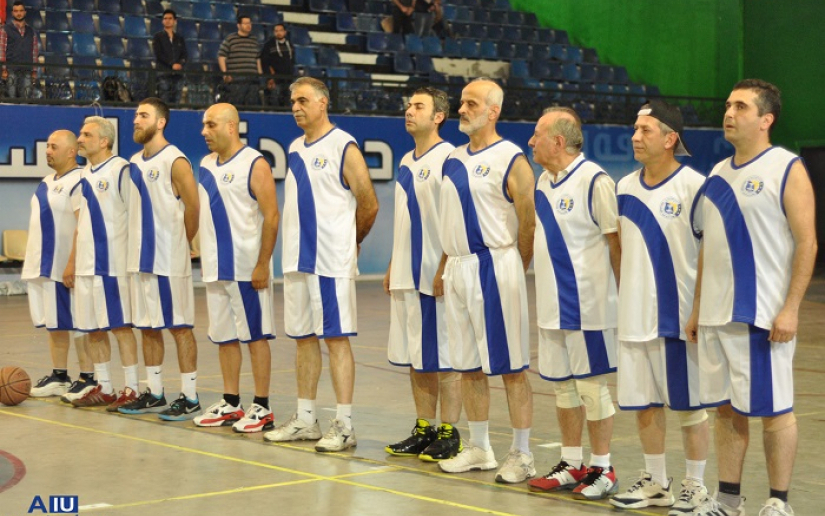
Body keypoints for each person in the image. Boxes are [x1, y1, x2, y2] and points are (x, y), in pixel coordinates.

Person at [684, 80, 817, 516]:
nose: (728, 112)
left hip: (763, 316)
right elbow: (709, 248)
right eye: (727, 105)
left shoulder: (786, 166)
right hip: (717, 317)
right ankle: (727, 500)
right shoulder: (718, 173)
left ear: (766, 119)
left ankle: (778, 503)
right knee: (725, 410)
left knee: (774, 411)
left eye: (740, 106)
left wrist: (791, 308)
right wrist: (698, 308)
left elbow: (807, 243)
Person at [264, 77, 379, 452]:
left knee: (336, 339)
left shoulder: (343, 145)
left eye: (302, 100)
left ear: (322, 103)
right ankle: (306, 419)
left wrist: (352, 243)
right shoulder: (296, 146)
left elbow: (368, 202)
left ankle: (344, 426)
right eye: (291, 101)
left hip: (330, 261)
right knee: (304, 339)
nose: (295, 107)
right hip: (298, 261)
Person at [608, 100, 710, 513]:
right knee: (644, 405)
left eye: (645, 130)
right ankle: (656, 482)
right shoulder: (624, 187)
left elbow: (711, 255)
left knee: (689, 407)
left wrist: (699, 309)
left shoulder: (695, 186)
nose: (635, 136)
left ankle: (695, 485)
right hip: (633, 319)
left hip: (676, 318)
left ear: (670, 139)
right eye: (635, 128)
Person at [435, 78, 535, 484]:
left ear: (492, 111)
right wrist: (445, 265)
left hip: (495, 265)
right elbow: (449, 219)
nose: (462, 108)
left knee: (511, 367)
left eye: (471, 103)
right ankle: (479, 448)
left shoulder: (511, 157)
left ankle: (523, 453)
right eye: (462, 102)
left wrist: (515, 266)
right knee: (468, 366)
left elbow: (528, 219)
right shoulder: (453, 158)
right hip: (458, 268)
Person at [526, 107, 620, 499]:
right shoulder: (543, 184)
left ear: (559, 142)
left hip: (589, 308)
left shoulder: (595, 181)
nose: (531, 142)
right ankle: (572, 463)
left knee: (592, 390)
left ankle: (603, 467)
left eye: (537, 135)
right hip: (552, 306)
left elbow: (617, 244)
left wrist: (625, 299)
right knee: (564, 390)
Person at [383, 87, 462, 462]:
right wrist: (391, 265)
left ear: (438, 116)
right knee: (417, 355)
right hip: (405, 274)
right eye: (409, 105)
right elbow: (403, 221)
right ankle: (424, 427)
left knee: (444, 355)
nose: (409, 111)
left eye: (419, 106)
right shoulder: (405, 160)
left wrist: (445, 265)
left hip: (434, 274)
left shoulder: (449, 157)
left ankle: (450, 431)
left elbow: (454, 219)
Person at [192, 103, 279, 433]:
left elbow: (272, 216)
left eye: (211, 125)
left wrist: (262, 264)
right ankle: (231, 402)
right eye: (203, 125)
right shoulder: (205, 164)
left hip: (246, 269)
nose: (204, 131)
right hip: (215, 269)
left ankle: (263, 406)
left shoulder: (254, 163)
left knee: (255, 336)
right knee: (225, 337)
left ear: (231, 127)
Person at [117, 98, 202, 421]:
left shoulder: (175, 159)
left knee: (179, 327)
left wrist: (181, 243)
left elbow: (193, 207)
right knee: (148, 328)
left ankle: (190, 397)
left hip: (168, 258)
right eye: (136, 115)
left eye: (143, 115)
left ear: (161, 122)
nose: (136, 120)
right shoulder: (133, 161)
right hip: (140, 260)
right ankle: (154, 393)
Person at [66, 117, 140, 411]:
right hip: (87, 265)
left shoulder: (121, 169)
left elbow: (135, 216)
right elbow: (80, 223)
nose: (80, 138)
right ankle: (106, 387)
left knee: (121, 327)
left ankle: (132, 388)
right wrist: (73, 262)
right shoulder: (83, 173)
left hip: (112, 264)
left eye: (86, 134)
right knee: (93, 329)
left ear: (104, 141)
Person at [22, 130, 93, 399]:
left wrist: (72, 262)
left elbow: (82, 226)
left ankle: (88, 376)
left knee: (76, 322)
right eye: (47, 145)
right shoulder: (47, 181)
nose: (48, 150)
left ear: (72, 151)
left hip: (63, 266)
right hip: (43, 265)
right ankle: (60, 375)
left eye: (54, 146)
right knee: (56, 324)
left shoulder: (79, 181)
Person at [217, 14, 262, 107]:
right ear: (239, 25)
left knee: (252, 107)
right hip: (236, 79)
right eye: (245, 23)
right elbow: (221, 56)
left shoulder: (254, 40)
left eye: (249, 23)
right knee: (235, 106)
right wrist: (225, 73)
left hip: (252, 79)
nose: (248, 25)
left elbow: (258, 58)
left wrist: (260, 74)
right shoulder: (231, 39)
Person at [0, 1, 40, 99]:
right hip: (11, 69)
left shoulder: (31, 31)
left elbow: (34, 52)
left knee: (25, 98)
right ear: (12, 13)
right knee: (11, 97)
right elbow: (2, 50)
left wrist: (34, 70)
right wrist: (4, 69)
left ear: (25, 12)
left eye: (21, 10)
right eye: (16, 11)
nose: (19, 13)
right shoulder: (5, 30)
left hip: (27, 69)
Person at [152, 9, 188, 105]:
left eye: (170, 18)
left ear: (175, 21)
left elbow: (184, 54)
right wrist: (172, 64)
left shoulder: (180, 38)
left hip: (178, 75)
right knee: (164, 101)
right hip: (163, 73)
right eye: (165, 18)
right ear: (162, 21)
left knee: (176, 101)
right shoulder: (158, 37)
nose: (167, 20)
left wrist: (180, 64)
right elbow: (159, 54)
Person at [259, 23, 293, 108]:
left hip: (288, 79)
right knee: (274, 103)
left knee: (287, 103)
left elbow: (292, 61)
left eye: (280, 30)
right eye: (276, 31)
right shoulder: (268, 45)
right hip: (275, 80)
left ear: (285, 32)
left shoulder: (290, 45)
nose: (278, 33)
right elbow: (265, 63)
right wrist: (269, 78)